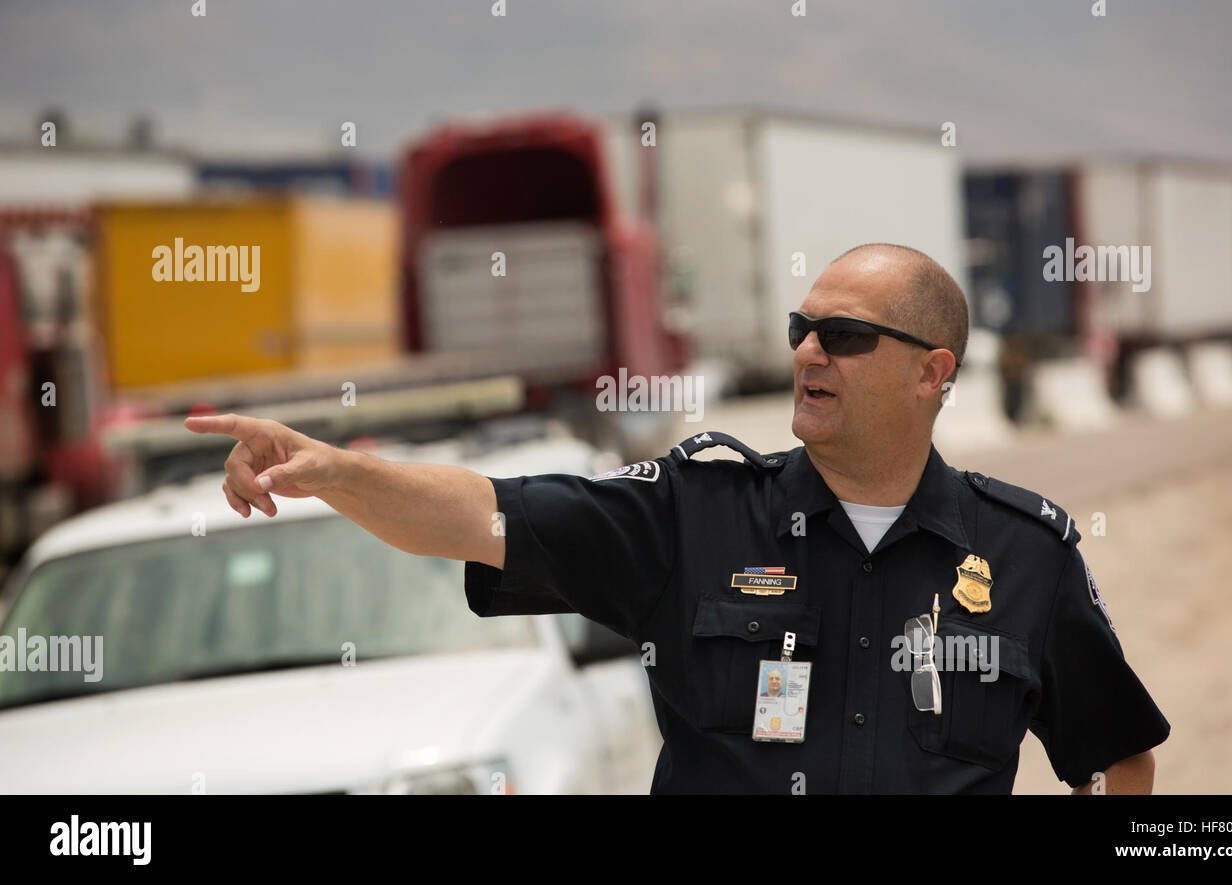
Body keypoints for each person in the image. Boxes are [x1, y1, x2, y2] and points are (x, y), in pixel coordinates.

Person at [186, 242, 1169, 794]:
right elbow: (478, 518)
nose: (808, 352)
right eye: (801, 331)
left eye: (844, 335)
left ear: (932, 373)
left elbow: (1118, 754)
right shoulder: (693, 515)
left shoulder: (1023, 553)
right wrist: (333, 472)